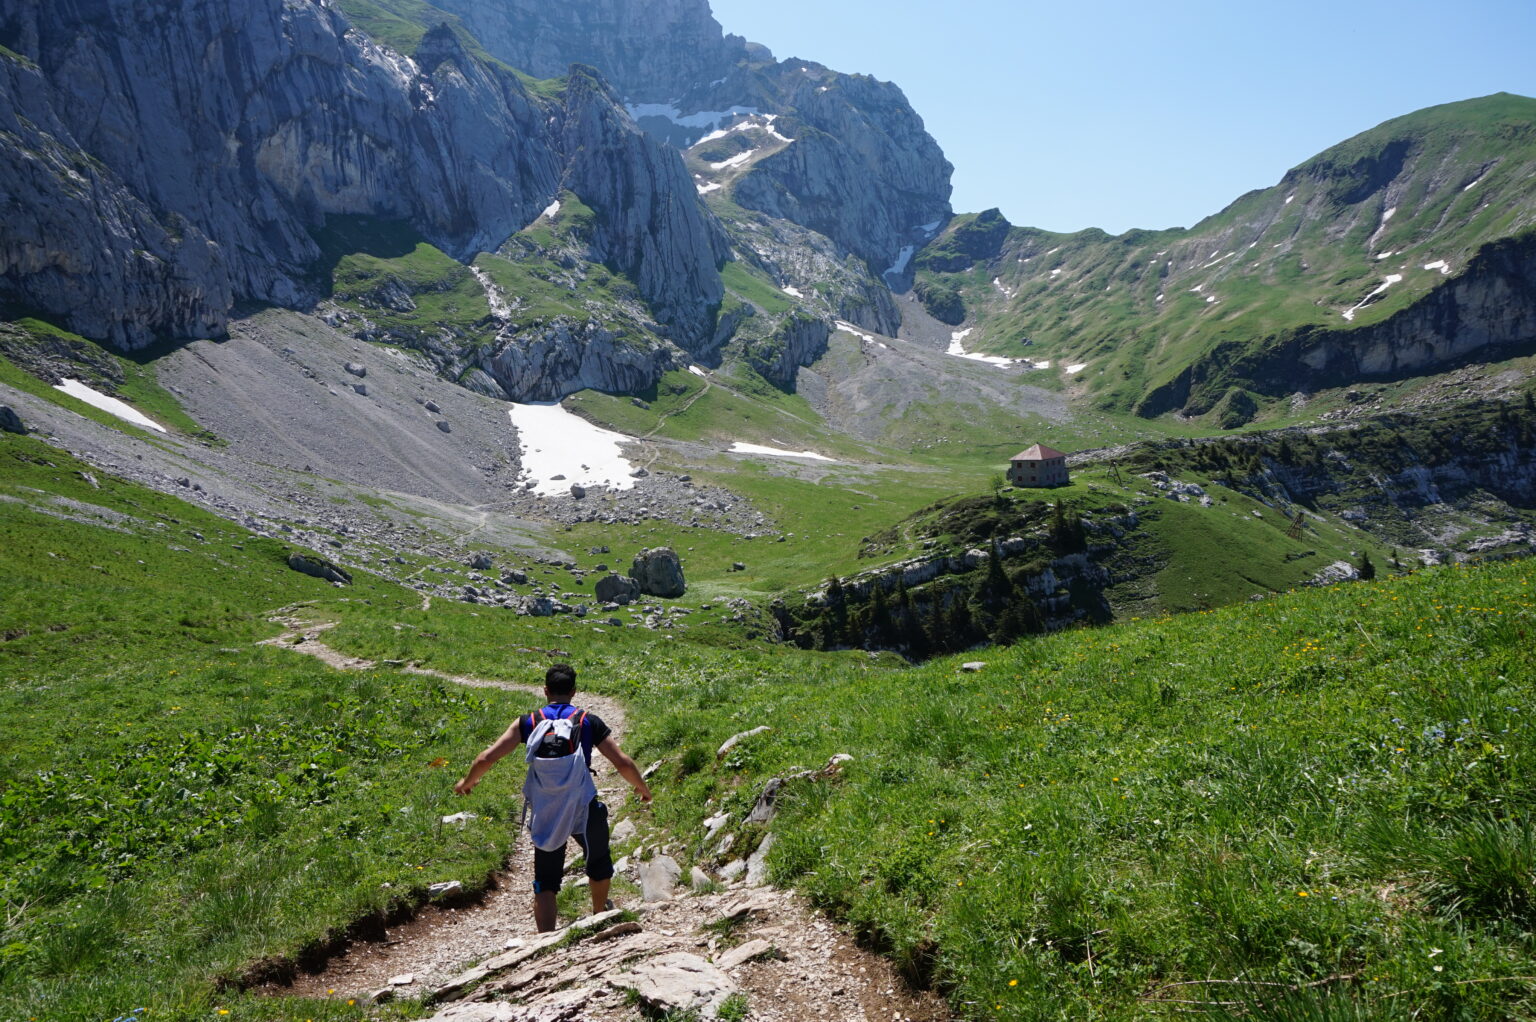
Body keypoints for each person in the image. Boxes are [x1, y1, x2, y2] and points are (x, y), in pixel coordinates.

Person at [454, 663, 652, 931]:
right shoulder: (587, 721)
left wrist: (468, 782)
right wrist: (641, 787)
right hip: (583, 804)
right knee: (599, 861)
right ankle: (599, 916)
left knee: (546, 881)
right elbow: (622, 762)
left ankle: (546, 939)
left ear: (545, 690)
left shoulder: (529, 721)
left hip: (547, 809)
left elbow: (486, 757)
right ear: (574, 691)